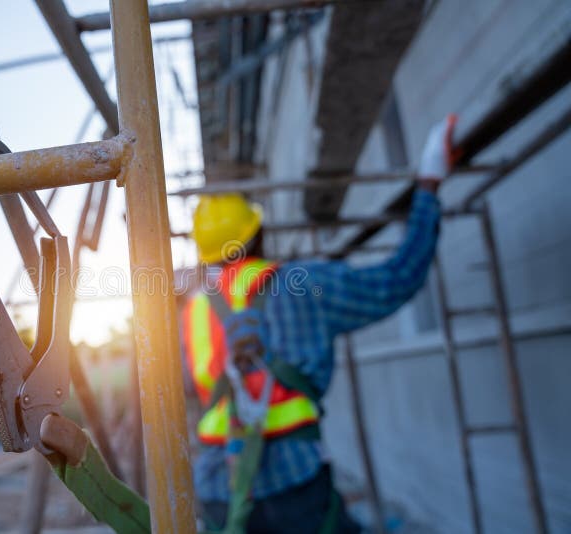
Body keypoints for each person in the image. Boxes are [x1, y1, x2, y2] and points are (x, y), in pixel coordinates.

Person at [180, 116, 457, 533]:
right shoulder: (299, 285)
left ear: (205, 254)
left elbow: (187, 392)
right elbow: (398, 279)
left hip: (222, 492)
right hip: (295, 486)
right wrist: (430, 181)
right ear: (258, 234)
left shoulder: (192, 314)